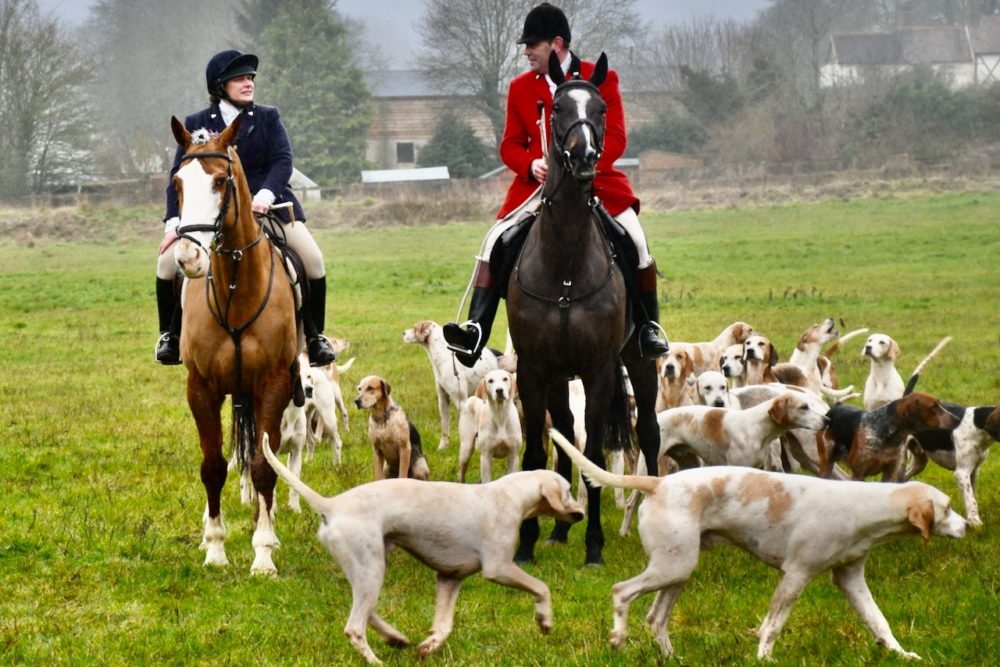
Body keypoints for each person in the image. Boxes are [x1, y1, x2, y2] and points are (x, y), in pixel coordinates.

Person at [443, 2, 668, 366]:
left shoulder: (600, 77)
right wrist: (530, 164)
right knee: (494, 241)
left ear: (557, 43)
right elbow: (509, 145)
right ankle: (476, 330)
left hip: (596, 182)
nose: (526, 52)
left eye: (533, 44)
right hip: (538, 189)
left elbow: (617, 137)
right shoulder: (520, 88)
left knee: (638, 242)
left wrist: (586, 165)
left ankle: (648, 329)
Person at [154, 49, 337, 367]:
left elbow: (283, 160)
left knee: (314, 260)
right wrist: (173, 223)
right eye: (239, 78)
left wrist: (265, 193)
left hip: (269, 208)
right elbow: (178, 175)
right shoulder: (196, 123)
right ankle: (169, 335)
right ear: (220, 85)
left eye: (250, 77)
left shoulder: (268, 116)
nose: (248, 82)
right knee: (165, 266)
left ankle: (314, 336)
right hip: (212, 214)